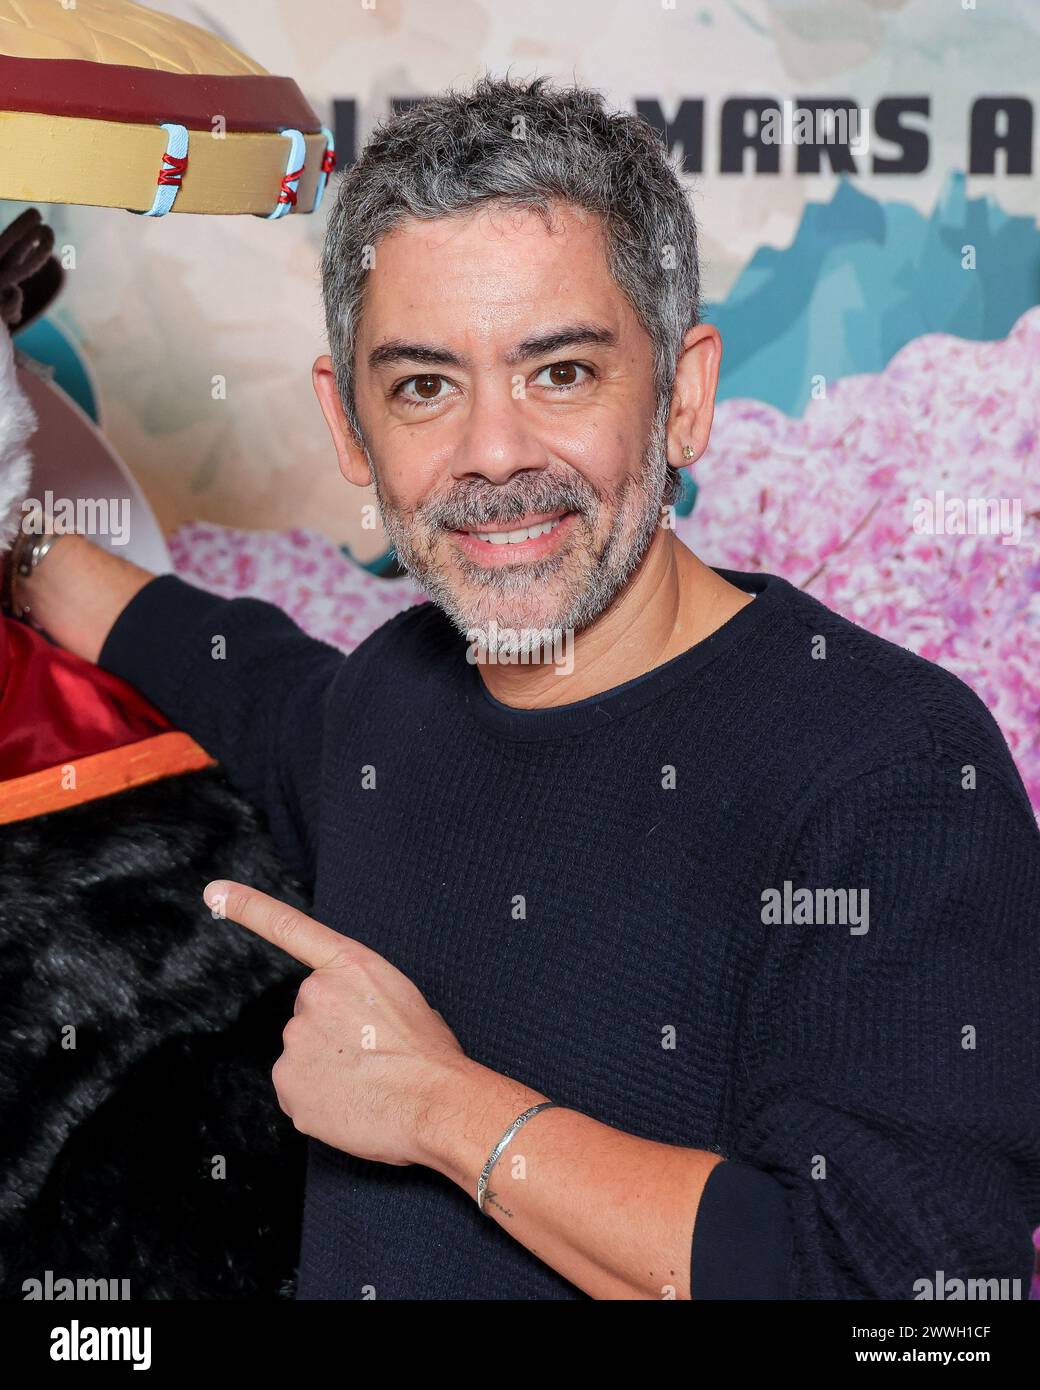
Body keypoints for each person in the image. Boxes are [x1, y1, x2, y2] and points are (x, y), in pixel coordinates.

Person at [6, 74, 1038, 1302]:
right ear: (350, 427)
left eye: (559, 373)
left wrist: (444, 1110)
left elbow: (908, 1303)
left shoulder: (892, 775)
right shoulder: (385, 708)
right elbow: (229, 668)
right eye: (424, 386)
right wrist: (20, 530)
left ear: (683, 396)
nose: (493, 454)